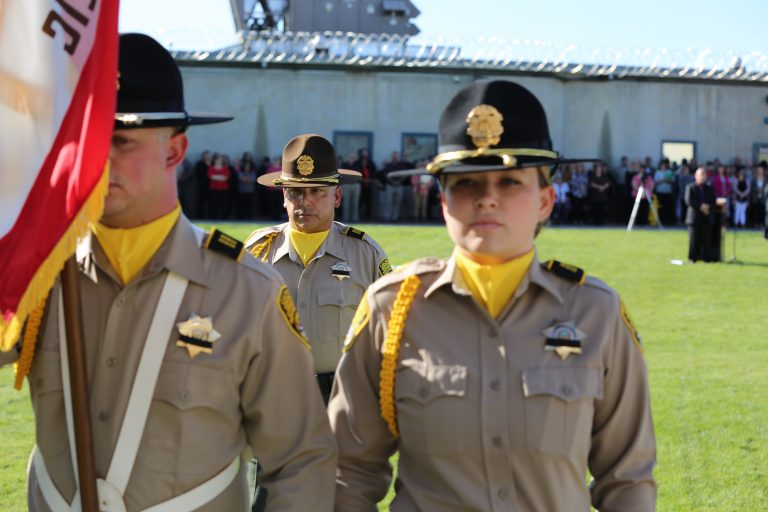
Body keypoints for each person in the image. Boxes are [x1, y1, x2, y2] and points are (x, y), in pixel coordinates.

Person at [0, 33, 336, 511]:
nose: (99, 158)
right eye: (88, 138)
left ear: (175, 151)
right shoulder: (40, 275)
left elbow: (300, 461)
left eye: (121, 140)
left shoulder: (246, 292)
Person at [329, 80, 656, 511]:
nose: (487, 199)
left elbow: (627, 479)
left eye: (509, 182)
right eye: (466, 183)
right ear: (444, 203)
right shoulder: (392, 309)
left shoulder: (596, 313)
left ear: (545, 201)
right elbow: (348, 472)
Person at [246, 134, 391, 403]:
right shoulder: (257, 252)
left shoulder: (365, 254)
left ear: (337, 196)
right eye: (296, 192)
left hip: (342, 396)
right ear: (284, 197)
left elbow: (390, 329)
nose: (305, 201)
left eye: (317, 191)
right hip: (272, 395)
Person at [685, 167, 717, 262]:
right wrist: (701, 206)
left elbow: (713, 202)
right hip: (694, 218)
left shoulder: (710, 189)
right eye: (700, 174)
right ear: (696, 176)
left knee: (706, 239)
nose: (702, 176)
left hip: (706, 217)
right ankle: (692, 258)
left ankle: (707, 258)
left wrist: (708, 208)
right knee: (694, 240)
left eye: (704, 174)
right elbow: (688, 200)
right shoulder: (690, 187)